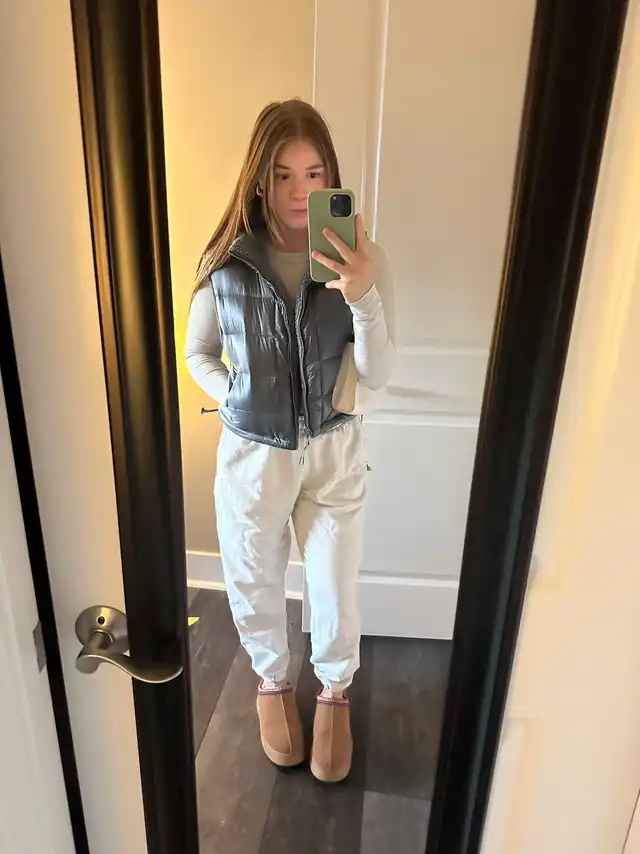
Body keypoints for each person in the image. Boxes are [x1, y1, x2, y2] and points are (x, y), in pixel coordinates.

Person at [185, 98, 395, 783]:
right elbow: (198, 353)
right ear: (259, 179)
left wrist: (361, 294)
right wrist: (232, 394)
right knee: (254, 575)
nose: (299, 192)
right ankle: (272, 681)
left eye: (313, 174)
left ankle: (334, 690)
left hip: (334, 452)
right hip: (254, 456)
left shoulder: (362, 257)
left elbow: (379, 374)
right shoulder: (226, 263)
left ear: (331, 175)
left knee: (333, 585)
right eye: (282, 175)